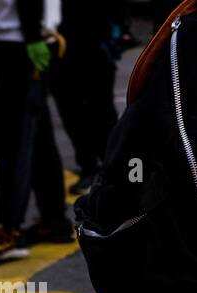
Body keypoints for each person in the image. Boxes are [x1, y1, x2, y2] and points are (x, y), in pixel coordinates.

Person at [0, 0, 73, 261]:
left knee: (13, 140)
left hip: (20, 40)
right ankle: (53, 219)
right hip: (21, 37)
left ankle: (8, 230)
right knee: (37, 135)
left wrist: (32, 37)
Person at [50, 0, 120, 196]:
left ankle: (111, 167)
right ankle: (91, 166)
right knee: (73, 111)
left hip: (93, 40)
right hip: (63, 44)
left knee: (99, 108)